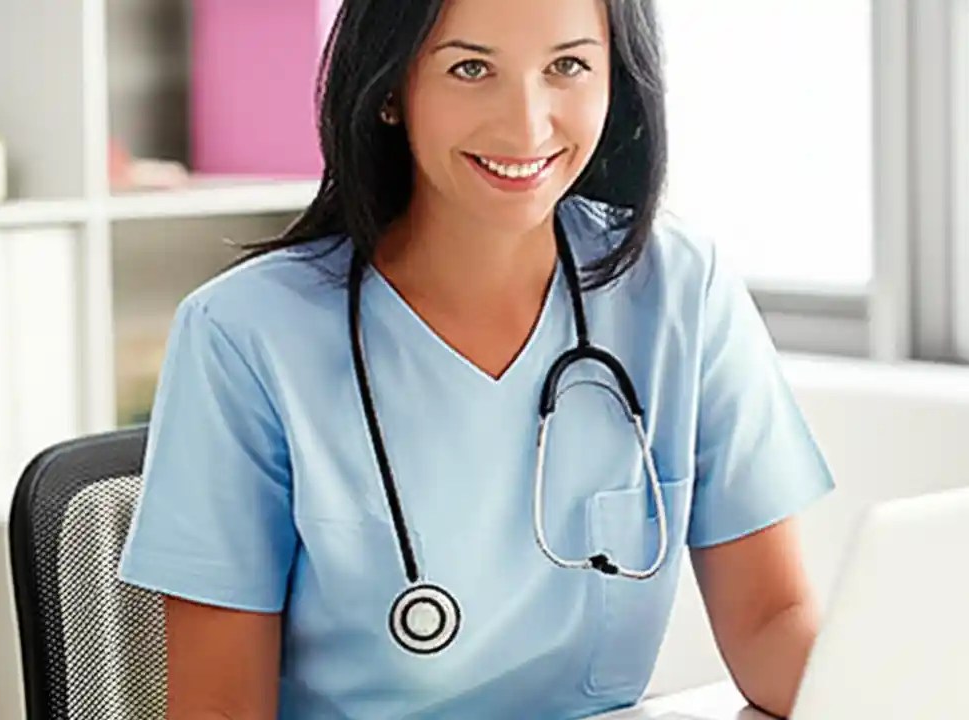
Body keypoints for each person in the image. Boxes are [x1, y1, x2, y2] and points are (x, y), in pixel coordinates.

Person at [117, 0, 835, 717]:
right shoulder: (245, 335)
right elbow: (218, 708)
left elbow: (771, 623)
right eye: (470, 68)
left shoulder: (680, 291)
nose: (526, 124)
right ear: (392, 86)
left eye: (568, 65)